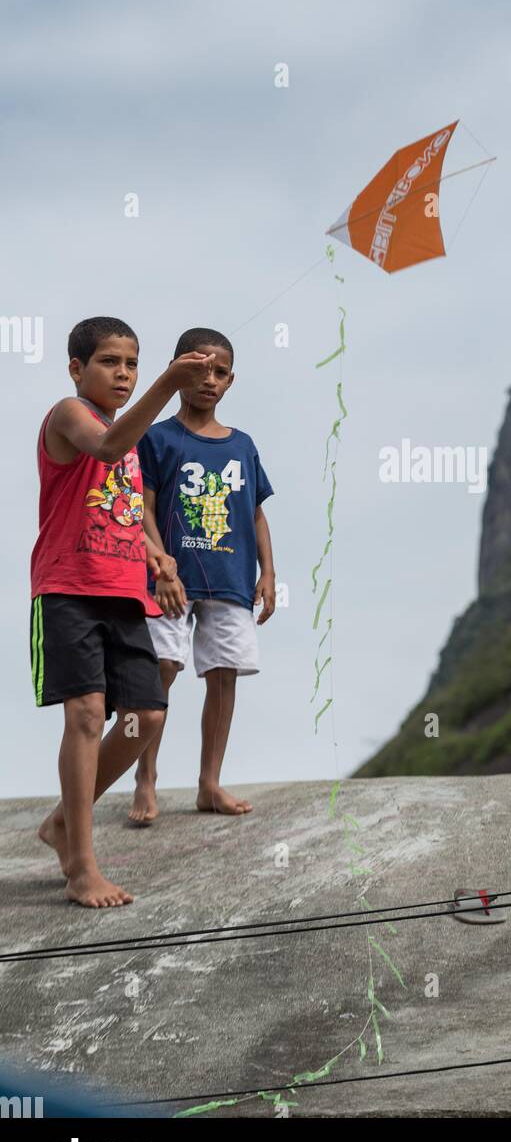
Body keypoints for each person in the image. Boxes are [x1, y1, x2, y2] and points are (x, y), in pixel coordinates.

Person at [33, 316, 212, 905]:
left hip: (123, 595)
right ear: (77, 369)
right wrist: (167, 381)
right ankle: (82, 865)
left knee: (146, 717)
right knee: (85, 714)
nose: (125, 374)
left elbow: (124, 513)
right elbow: (106, 448)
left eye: (133, 364)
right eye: (111, 362)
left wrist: (158, 557)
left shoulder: (126, 436)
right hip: (67, 589)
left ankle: (63, 820)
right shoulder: (70, 414)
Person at [130, 327, 276, 823]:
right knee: (161, 670)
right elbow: (142, 507)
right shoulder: (156, 437)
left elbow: (255, 512)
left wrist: (269, 572)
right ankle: (145, 778)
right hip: (170, 578)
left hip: (231, 577)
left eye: (219, 372)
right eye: (199, 369)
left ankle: (209, 783)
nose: (208, 380)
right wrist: (158, 560)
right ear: (177, 372)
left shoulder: (243, 446)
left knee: (224, 673)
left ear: (231, 380)